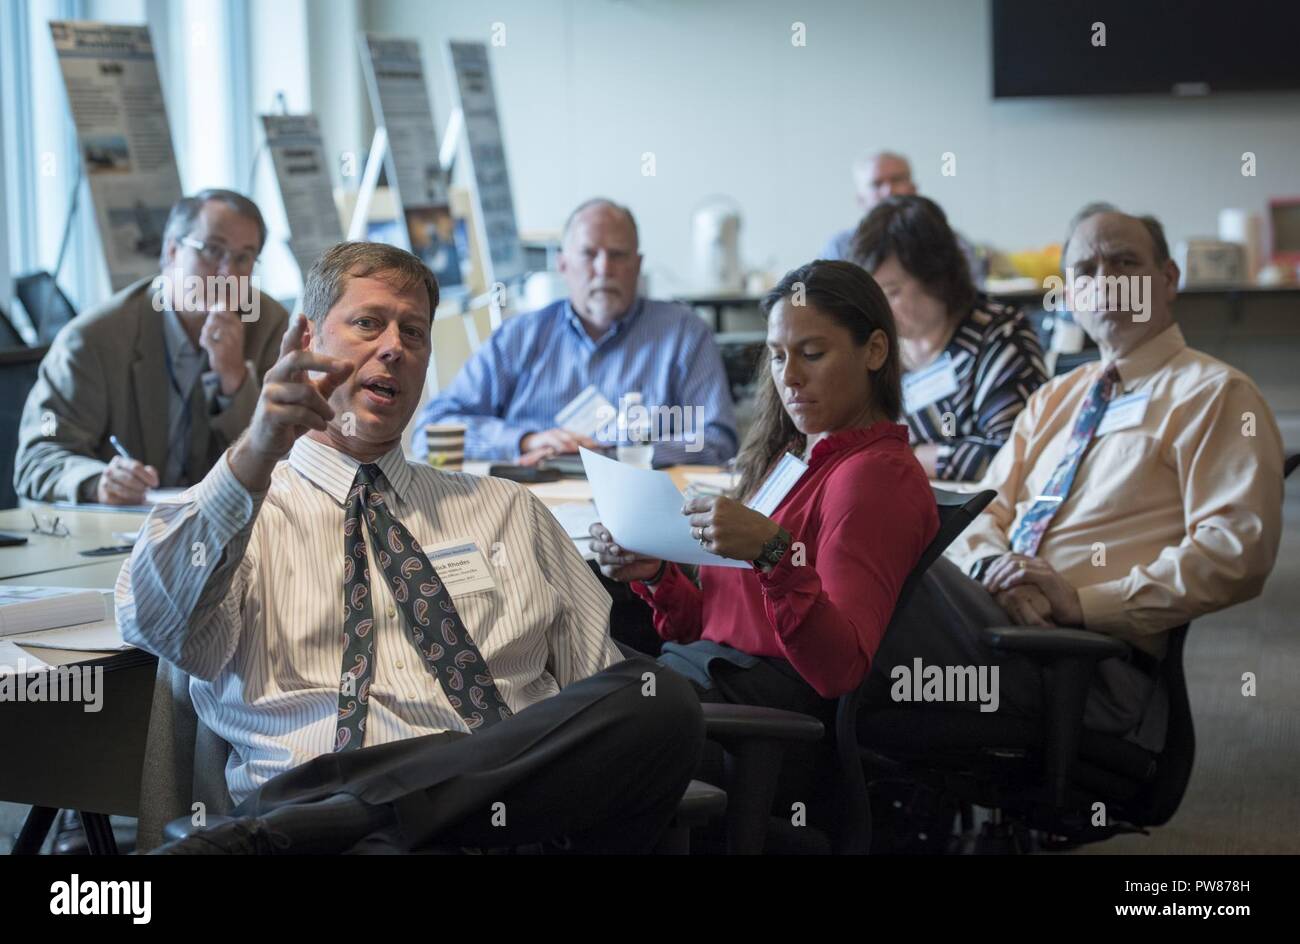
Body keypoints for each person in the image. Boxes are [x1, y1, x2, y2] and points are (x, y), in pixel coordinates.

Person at [116, 241, 703, 854]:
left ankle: (362, 817)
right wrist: (253, 456)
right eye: (369, 323)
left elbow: (597, 710)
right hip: (317, 799)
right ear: (310, 337)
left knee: (659, 698)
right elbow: (153, 623)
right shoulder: (246, 509)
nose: (394, 346)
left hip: (490, 824)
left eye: (414, 333)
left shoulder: (508, 510)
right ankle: (358, 821)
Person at [866, 203, 1284, 753]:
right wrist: (995, 569)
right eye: (1085, 271)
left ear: (1168, 279)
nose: (1105, 280)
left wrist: (1080, 603)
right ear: (1067, 296)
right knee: (849, 593)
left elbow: (1235, 553)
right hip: (993, 627)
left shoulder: (1217, 395)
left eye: (1124, 261)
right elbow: (982, 512)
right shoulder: (1054, 400)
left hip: (1087, 664)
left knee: (874, 576)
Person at [591, 259, 938, 718]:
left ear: (875, 351)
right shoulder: (791, 460)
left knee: (562, 696)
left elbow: (839, 668)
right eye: (777, 355)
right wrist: (658, 573)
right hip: (710, 680)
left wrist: (774, 553)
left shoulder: (871, 477)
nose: (789, 376)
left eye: (812, 353)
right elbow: (715, 624)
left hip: (759, 715)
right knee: (553, 666)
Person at [15, 189, 290, 505]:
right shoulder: (93, 341)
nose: (228, 273)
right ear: (171, 252)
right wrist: (96, 482)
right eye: (212, 250)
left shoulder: (269, 327)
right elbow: (39, 453)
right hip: (116, 539)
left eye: (243, 258)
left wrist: (235, 381)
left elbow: (285, 458)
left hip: (226, 533)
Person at [417, 198, 738, 467]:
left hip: (640, 505)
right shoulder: (519, 336)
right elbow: (430, 434)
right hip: (533, 508)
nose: (603, 269)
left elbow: (717, 440)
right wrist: (526, 440)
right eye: (589, 254)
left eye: (618, 255)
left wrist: (616, 455)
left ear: (638, 265)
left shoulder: (684, 333)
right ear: (562, 264)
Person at [851, 195, 1047, 481]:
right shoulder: (881, 345)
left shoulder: (1000, 335)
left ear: (936, 279)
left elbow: (1011, 455)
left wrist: (902, 457)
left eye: (891, 292)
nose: (877, 308)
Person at [821, 151, 984, 283]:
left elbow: (972, 291)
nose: (888, 191)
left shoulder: (952, 242)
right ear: (861, 199)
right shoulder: (839, 247)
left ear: (913, 189)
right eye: (876, 184)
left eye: (897, 180)